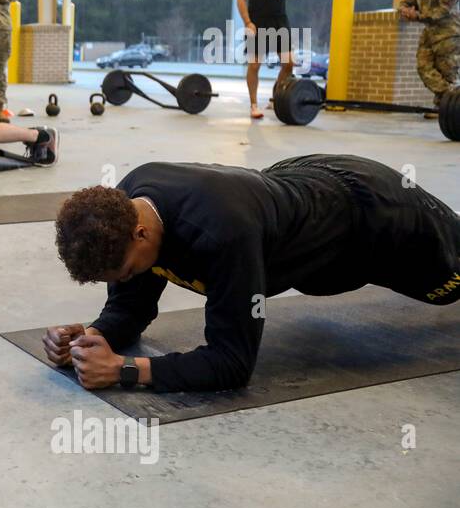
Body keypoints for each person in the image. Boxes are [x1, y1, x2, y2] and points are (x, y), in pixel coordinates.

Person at [44, 155, 460, 393]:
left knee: (447, 288)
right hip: (298, 187)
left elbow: (232, 363)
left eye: (130, 270)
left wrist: (124, 370)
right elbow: (131, 308)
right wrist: (95, 335)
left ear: (140, 232)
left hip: (376, 215)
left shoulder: (223, 233)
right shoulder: (130, 207)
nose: (131, 278)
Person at [236, 0, 299, 120]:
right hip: (258, 23)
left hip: (280, 21)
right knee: (255, 65)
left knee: (289, 63)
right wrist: (248, 22)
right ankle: (254, 105)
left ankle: (276, 98)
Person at [398, 0, 460, 114]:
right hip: (429, 33)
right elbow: (404, 3)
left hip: (448, 34)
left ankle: (444, 107)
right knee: (423, 67)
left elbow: (442, 11)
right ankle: (451, 101)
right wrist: (405, 10)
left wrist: (417, 15)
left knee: (448, 71)